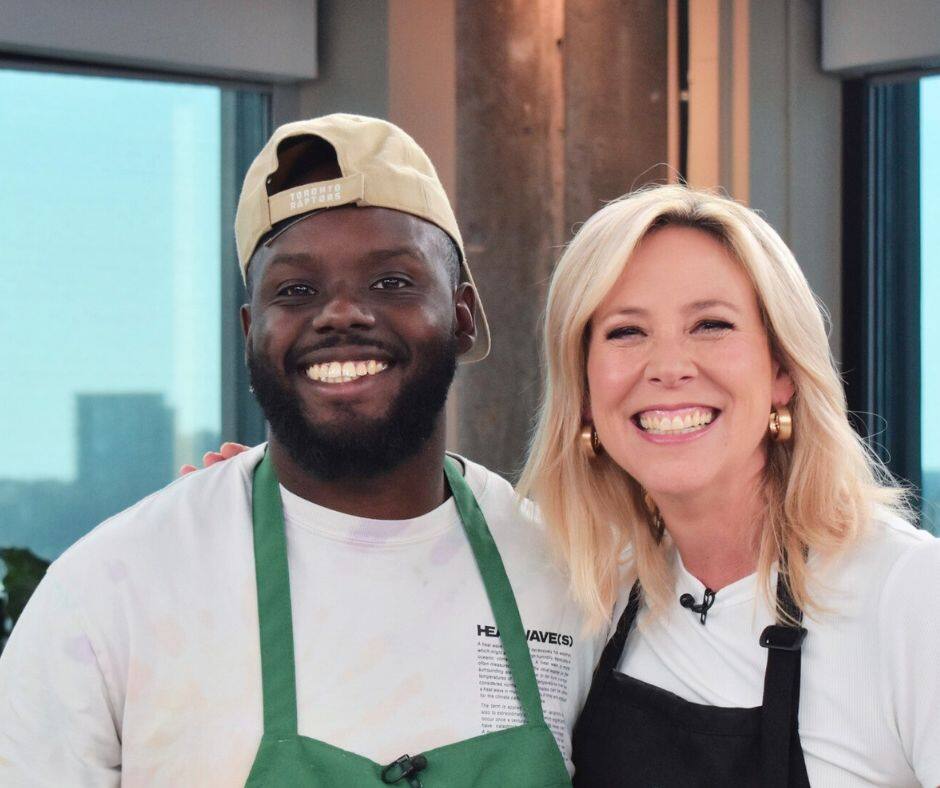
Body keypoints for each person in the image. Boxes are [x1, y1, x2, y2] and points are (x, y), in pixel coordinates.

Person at [0, 115, 601, 786]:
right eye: (295, 290)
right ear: (253, 330)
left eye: (393, 282)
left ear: (461, 315)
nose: (341, 313)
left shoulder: (566, 577)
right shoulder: (112, 593)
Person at [518, 185, 940, 787]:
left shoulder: (911, 594)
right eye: (625, 332)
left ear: (783, 371)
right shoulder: (599, 596)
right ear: (583, 392)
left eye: (711, 324)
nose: (668, 365)